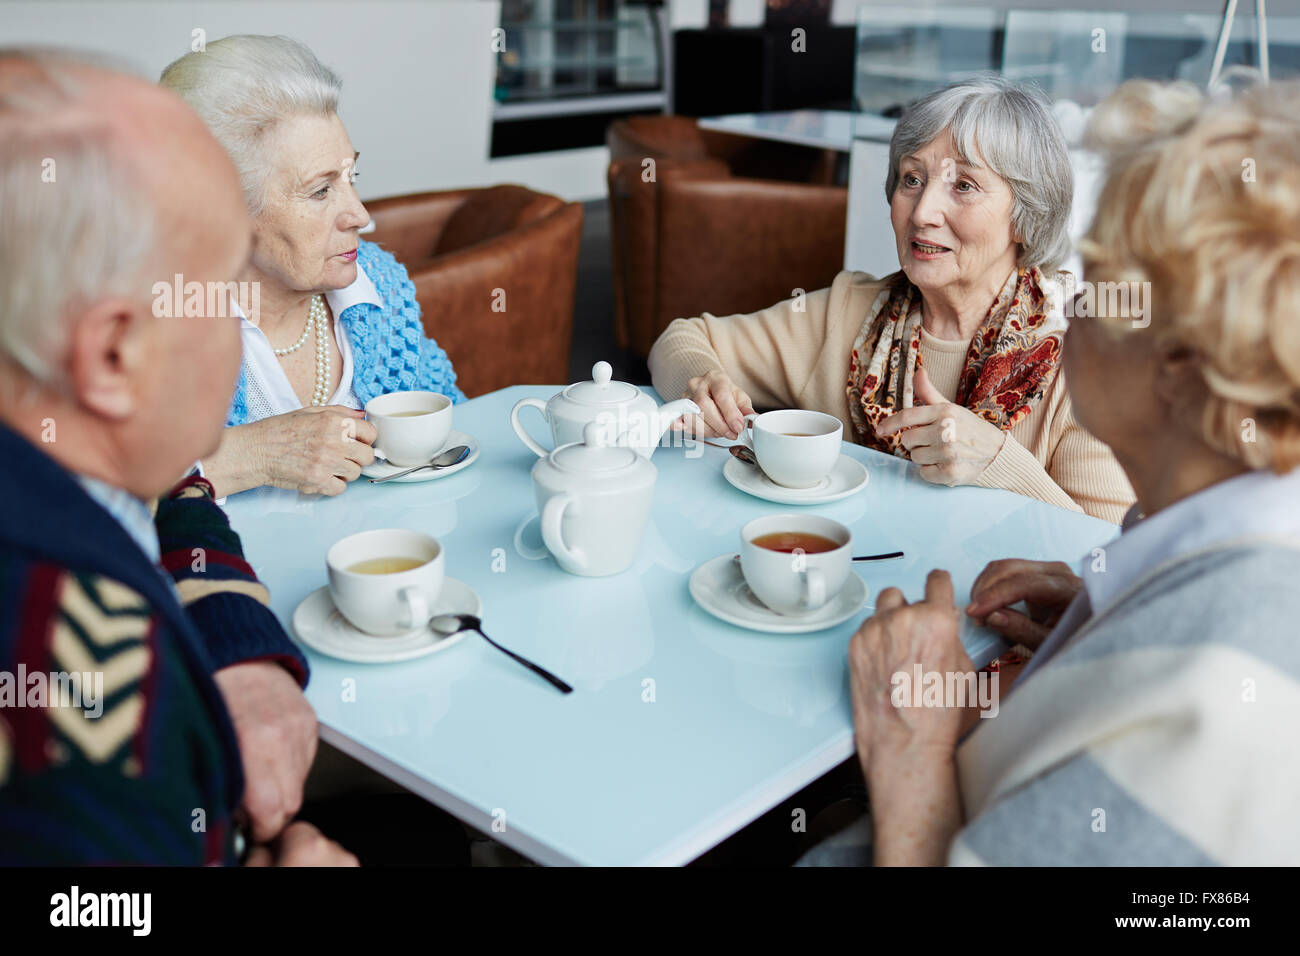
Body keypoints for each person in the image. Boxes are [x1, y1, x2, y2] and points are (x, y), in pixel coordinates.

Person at [802, 77, 1300, 865]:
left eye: (1096, 279)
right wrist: (1110, 613)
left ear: (1179, 362)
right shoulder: (1218, 562)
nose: (1068, 303)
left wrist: (908, 743)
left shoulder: (1218, 697)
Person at [0, 48, 354, 865]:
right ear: (114, 356)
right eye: (226, 294)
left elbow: (167, 495)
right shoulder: (84, 714)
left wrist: (236, 645)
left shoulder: (77, 455)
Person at [649, 76, 1134, 523]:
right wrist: (703, 385)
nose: (923, 213)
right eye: (912, 179)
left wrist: (998, 463)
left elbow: (1119, 558)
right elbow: (681, 338)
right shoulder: (849, 314)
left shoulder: (1089, 356)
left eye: (964, 186)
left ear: (1027, 218)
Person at [159, 35, 465, 498]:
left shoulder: (376, 284)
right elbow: (84, 497)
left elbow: (453, 431)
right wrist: (255, 454)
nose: (360, 214)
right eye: (321, 191)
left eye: (351, 177)